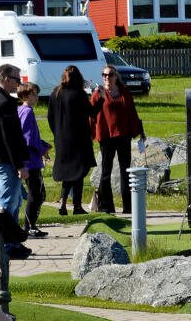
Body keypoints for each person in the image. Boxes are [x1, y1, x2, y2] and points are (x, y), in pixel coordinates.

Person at [0, 64, 30, 256]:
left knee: (12, 201)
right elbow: (10, 138)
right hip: (6, 159)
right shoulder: (4, 102)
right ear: (7, 78)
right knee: (9, 203)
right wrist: (20, 165)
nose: (20, 83)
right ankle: (7, 245)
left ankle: (13, 241)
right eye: (17, 79)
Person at [90, 63, 144, 214]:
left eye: (110, 75)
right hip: (106, 136)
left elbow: (132, 112)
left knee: (126, 171)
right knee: (105, 171)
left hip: (123, 135)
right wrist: (89, 133)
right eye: (104, 75)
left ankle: (129, 206)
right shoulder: (98, 93)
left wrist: (139, 130)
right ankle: (106, 206)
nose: (107, 77)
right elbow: (91, 114)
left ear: (115, 77)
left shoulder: (124, 92)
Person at [46, 65, 95, 215]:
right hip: (79, 139)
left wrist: (57, 132)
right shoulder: (78, 94)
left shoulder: (55, 93)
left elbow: (50, 117)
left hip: (61, 139)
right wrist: (99, 98)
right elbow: (91, 112)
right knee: (78, 172)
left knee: (68, 172)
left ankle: (63, 202)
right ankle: (77, 205)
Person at [16, 81, 51, 237]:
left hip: (28, 159)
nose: (37, 97)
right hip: (31, 160)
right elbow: (28, 138)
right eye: (34, 94)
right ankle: (29, 226)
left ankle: (30, 225)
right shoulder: (27, 111)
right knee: (37, 194)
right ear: (26, 95)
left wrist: (43, 146)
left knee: (37, 193)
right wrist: (43, 148)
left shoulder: (20, 110)